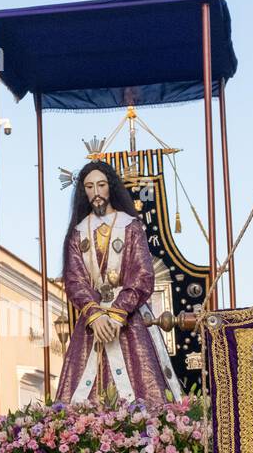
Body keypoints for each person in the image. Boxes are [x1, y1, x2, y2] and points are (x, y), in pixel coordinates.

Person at [55, 160, 181, 406]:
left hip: (128, 320)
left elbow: (142, 274)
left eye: (101, 185)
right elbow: (74, 279)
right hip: (94, 323)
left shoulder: (130, 227)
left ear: (110, 187)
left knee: (144, 386)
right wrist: (95, 314)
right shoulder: (78, 233)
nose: (96, 192)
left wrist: (116, 313)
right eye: (90, 187)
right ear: (84, 191)